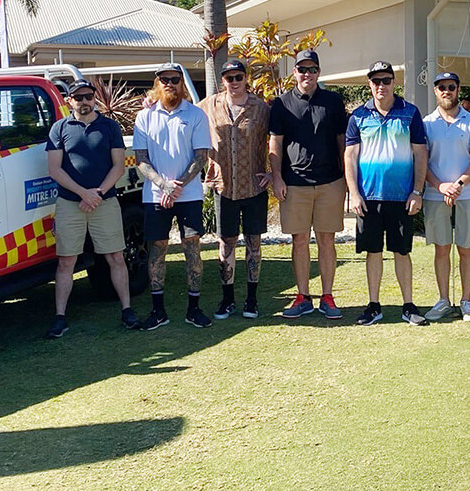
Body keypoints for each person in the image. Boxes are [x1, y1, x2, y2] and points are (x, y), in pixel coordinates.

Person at [44, 79, 140, 338]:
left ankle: (128, 310)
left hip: (104, 202)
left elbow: (118, 166)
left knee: (116, 257)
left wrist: (96, 193)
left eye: (88, 96)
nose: (84, 101)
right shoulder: (59, 129)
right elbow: (54, 169)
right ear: (69, 101)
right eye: (78, 97)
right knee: (66, 261)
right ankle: (60, 317)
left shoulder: (109, 127)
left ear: (94, 98)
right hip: (69, 203)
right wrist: (82, 193)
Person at [344, 61, 429, 326]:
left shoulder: (410, 113)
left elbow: (420, 153)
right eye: (376, 81)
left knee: (402, 251)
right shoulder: (358, 116)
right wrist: (354, 193)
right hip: (368, 198)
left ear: (394, 82)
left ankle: (408, 305)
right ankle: (374, 305)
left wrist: (417, 191)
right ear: (369, 84)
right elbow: (350, 156)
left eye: (386, 80)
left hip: (401, 197)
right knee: (373, 251)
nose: (381, 86)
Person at [269, 49, 348, 320]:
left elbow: (342, 141)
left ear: (319, 73)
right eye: (302, 69)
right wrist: (277, 177)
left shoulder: (334, 102)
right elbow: (275, 143)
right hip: (295, 184)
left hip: (330, 182)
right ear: (294, 72)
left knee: (327, 239)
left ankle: (327, 296)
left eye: (312, 69)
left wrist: (347, 180)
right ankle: (302, 297)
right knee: (299, 240)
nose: (307, 74)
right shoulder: (281, 104)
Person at [133, 64, 212, 330]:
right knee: (157, 249)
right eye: (164, 79)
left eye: (174, 79)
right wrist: (162, 185)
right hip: (155, 195)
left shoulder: (196, 115)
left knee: (192, 247)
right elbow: (141, 160)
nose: (169, 83)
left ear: (181, 82)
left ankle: (194, 309)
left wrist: (177, 186)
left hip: (188, 194)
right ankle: (158, 312)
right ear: (157, 83)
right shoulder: (145, 116)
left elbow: (201, 156)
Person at [198, 60, 271, 320]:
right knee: (226, 243)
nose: (234, 82)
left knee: (253, 243)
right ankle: (227, 299)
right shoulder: (210, 105)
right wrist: (154, 104)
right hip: (224, 186)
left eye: (239, 76)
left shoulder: (261, 108)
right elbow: (183, 115)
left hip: (253, 186)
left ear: (246, 78)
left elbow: (276, 140)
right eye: (229, 78)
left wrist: (273, 171)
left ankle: (252, 299)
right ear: (223, 80)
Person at [422, 71, 470, 322]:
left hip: (467, 194)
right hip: (435, 195)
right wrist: (440, 187)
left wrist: (458, 184)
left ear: (458, 90)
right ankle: (443, 301)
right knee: (441, 249)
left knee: (466, 248)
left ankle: (466, 302)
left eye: (451, 86)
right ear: (435, 91)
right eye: (441, 87)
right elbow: (422, 162)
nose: (446, 91)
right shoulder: (427, 123)